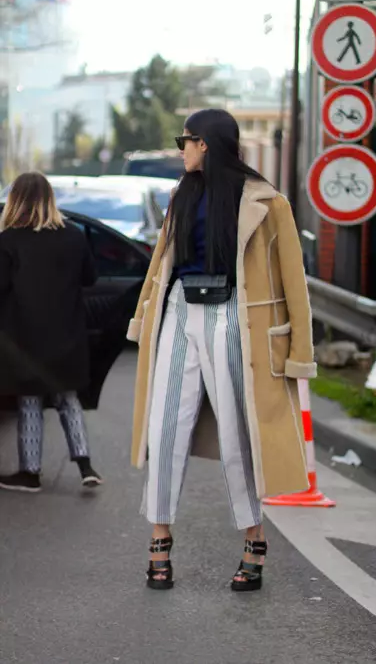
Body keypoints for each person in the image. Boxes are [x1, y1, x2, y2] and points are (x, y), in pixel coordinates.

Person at [127, 109, 316, 592]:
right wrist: (144, 314)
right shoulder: (179, 196)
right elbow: (161, 265)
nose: (180, 149)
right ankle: (159, 539)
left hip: (235, 316)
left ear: (206, 143)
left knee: (238, 434)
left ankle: (254, 540)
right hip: (178, 311)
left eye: (185, 141)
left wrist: (299, 350)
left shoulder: (267, 203)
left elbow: (294, 281)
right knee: (164, 427)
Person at [0, 172, 102, 493]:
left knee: (30, 402)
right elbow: (90, 278)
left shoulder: (8, 241)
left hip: (25, 339)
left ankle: (30, 473)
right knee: (68, 399)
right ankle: (85, 465)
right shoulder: (74, 236)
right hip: (67, 336)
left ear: (16, 200)